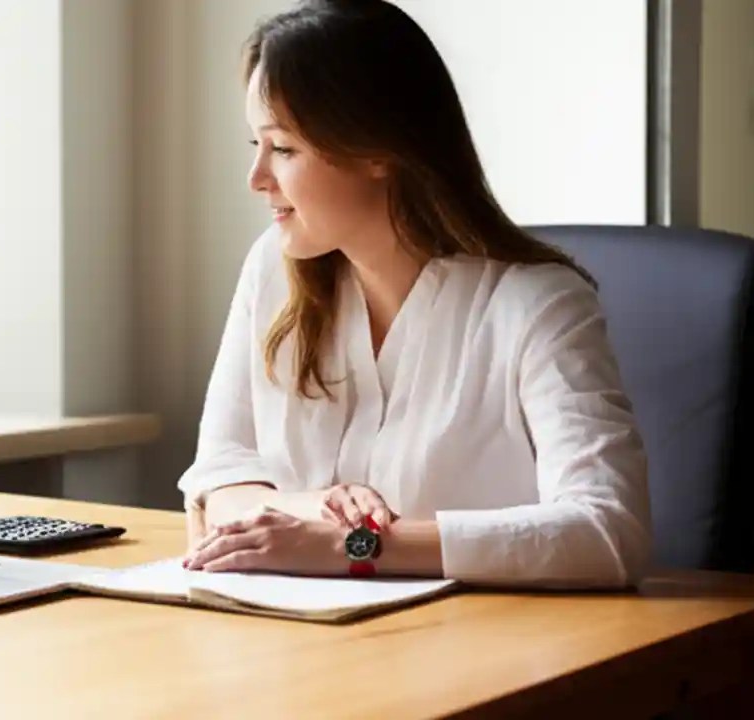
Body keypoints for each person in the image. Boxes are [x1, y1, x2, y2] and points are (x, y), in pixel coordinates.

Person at [179, 0, 651, 588]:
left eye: (283, 149)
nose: (256, 178)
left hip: (482, 635)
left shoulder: (538, 306)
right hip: (297, 632)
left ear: (376, 149)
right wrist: (316, 508)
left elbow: (610, 529)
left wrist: (355, 546)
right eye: (256, 144)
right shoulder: (270, 270)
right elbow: (217, 480)